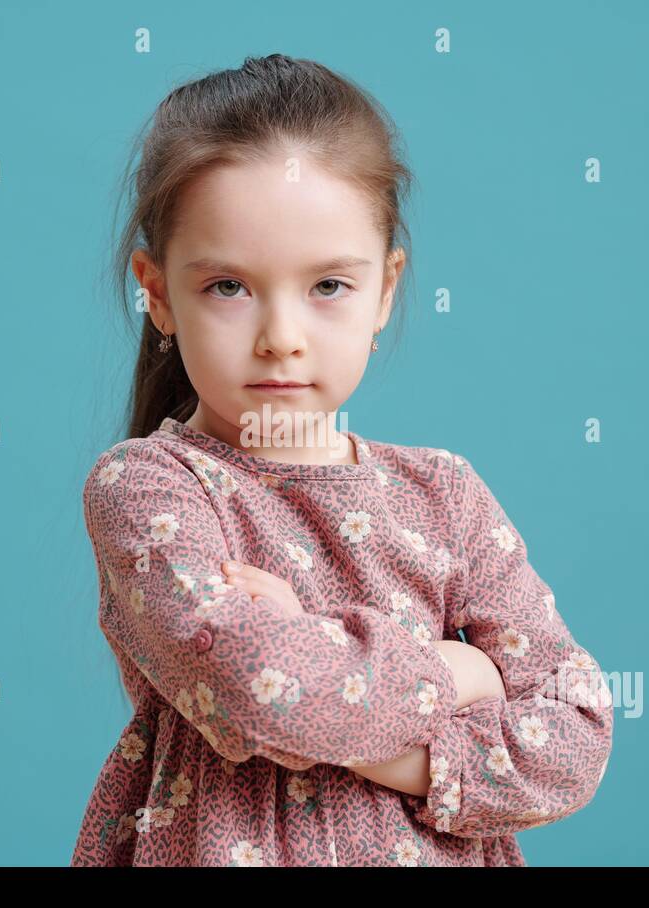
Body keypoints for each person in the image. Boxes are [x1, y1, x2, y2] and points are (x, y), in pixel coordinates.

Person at [71, 54, 613, 866]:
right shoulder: (150, 489)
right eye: (227, 286)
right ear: (157, 293)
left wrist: (321, 658)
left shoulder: (445, 496)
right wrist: (456, 670)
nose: (281, 334)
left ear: (384, 290)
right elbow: (261, 689)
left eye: (327, 285)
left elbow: (574, 734)